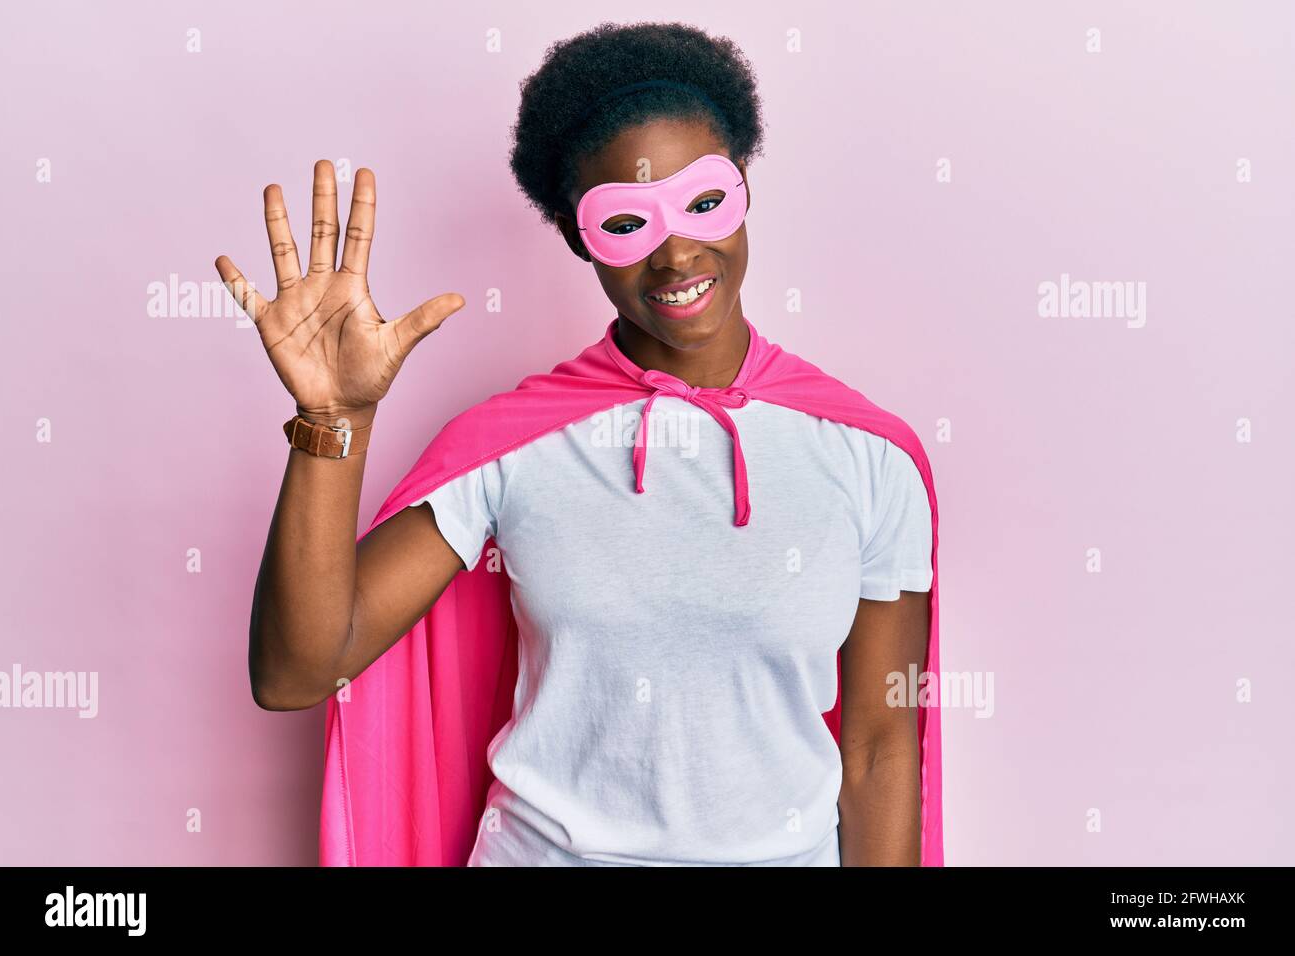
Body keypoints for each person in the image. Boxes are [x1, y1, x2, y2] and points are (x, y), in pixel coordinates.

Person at [215, 21, 936, 867]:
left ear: (742, 188)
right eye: (626, 222)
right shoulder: (514, 446)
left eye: (705, 202)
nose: (677, 252)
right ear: (573, 235)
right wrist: (334, 422)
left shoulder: (868, 455)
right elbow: (296, 672)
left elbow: (883, 745)